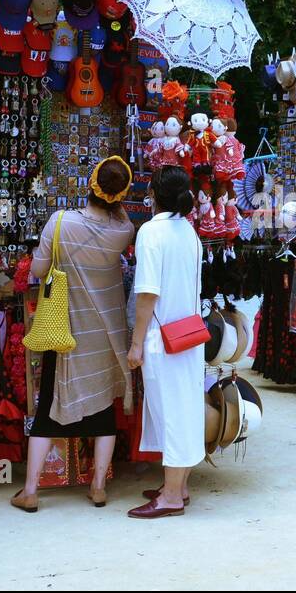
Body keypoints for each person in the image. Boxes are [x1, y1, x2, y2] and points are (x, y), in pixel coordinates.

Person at [11, 157, 135, 511]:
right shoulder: (122, 232)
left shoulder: (60, 222)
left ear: (91, 183)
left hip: (66, 329)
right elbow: (123, 217)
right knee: (103, 411)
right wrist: (118, 203)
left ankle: (31, 491)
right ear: (120, 195)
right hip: (105, 336)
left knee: (50, 405)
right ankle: (98, 487)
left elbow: (37, 269)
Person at [127, 166, 204, 519]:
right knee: (184, 408)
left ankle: (172, 495)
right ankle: (180, 486)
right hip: (189, 333)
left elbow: (147, 293)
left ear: (153, 193)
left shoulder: (150, 232)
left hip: (162, 337)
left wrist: (136, 342)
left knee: (170, 412)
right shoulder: (189, 231)